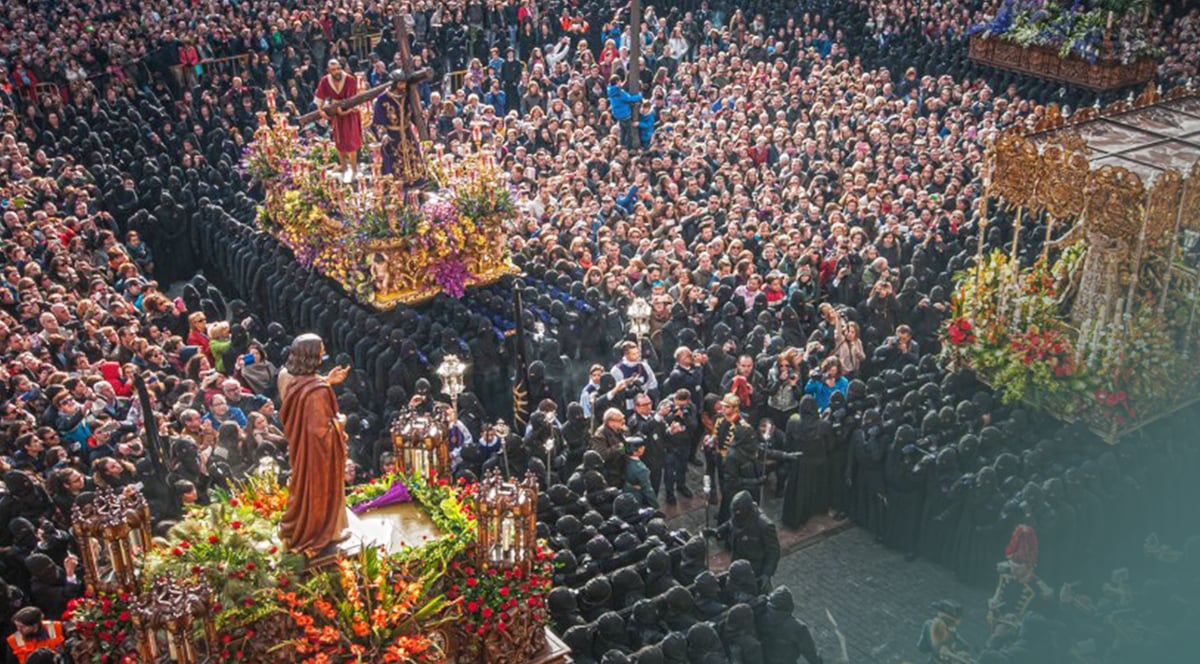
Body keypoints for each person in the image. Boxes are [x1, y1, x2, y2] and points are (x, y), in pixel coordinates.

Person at [277, 334, 351, 558]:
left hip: (301, 450)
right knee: (319, 492)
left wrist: (327, 380)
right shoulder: (317, 390)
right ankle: (323, 532)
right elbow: (320, 431)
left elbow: (300, 404)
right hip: (318, 455)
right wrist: (341, 422)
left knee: (302, 489)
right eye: (321, 349)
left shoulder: (287, 376)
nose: (324, 351)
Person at [371, 76, 427, 185]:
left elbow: (414, 114)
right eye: (401, 83)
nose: (403, 86)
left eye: (404, 83)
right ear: (395, 83)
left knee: (413, 157)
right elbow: (377, 120)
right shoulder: (383, 99)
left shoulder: (407, 96)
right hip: (392, 134)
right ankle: (396, 184)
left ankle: (416, 181)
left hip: (407, 133)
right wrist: (383, 134)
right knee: (393, 159)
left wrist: (421, 120)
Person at [316, 58, 364, 182]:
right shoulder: (325, 81)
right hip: (337, 117)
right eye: (333, 70)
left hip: (350, 115)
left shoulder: (349, 79)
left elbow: (352, 100)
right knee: (339, 142)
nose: (336, 71)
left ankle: (354, 170)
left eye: (338, 68)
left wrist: (343, 109)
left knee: (351, 142)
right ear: (329, 70)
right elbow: (319, 97)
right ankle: (344, 168)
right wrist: (321, 111)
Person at [918, 600, 969, 664]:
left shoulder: (928, 625)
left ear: (939, 613)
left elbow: (922, 648)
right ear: (958, 621)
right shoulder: (962, 646)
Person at [622, 436, 657, 508]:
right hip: (636, 496)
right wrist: (655, 505)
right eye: (641, 447)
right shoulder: (641, 469)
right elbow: (648, 490)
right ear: (635, 452)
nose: (643, 448)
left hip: (625, 490)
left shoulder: (623, 459)